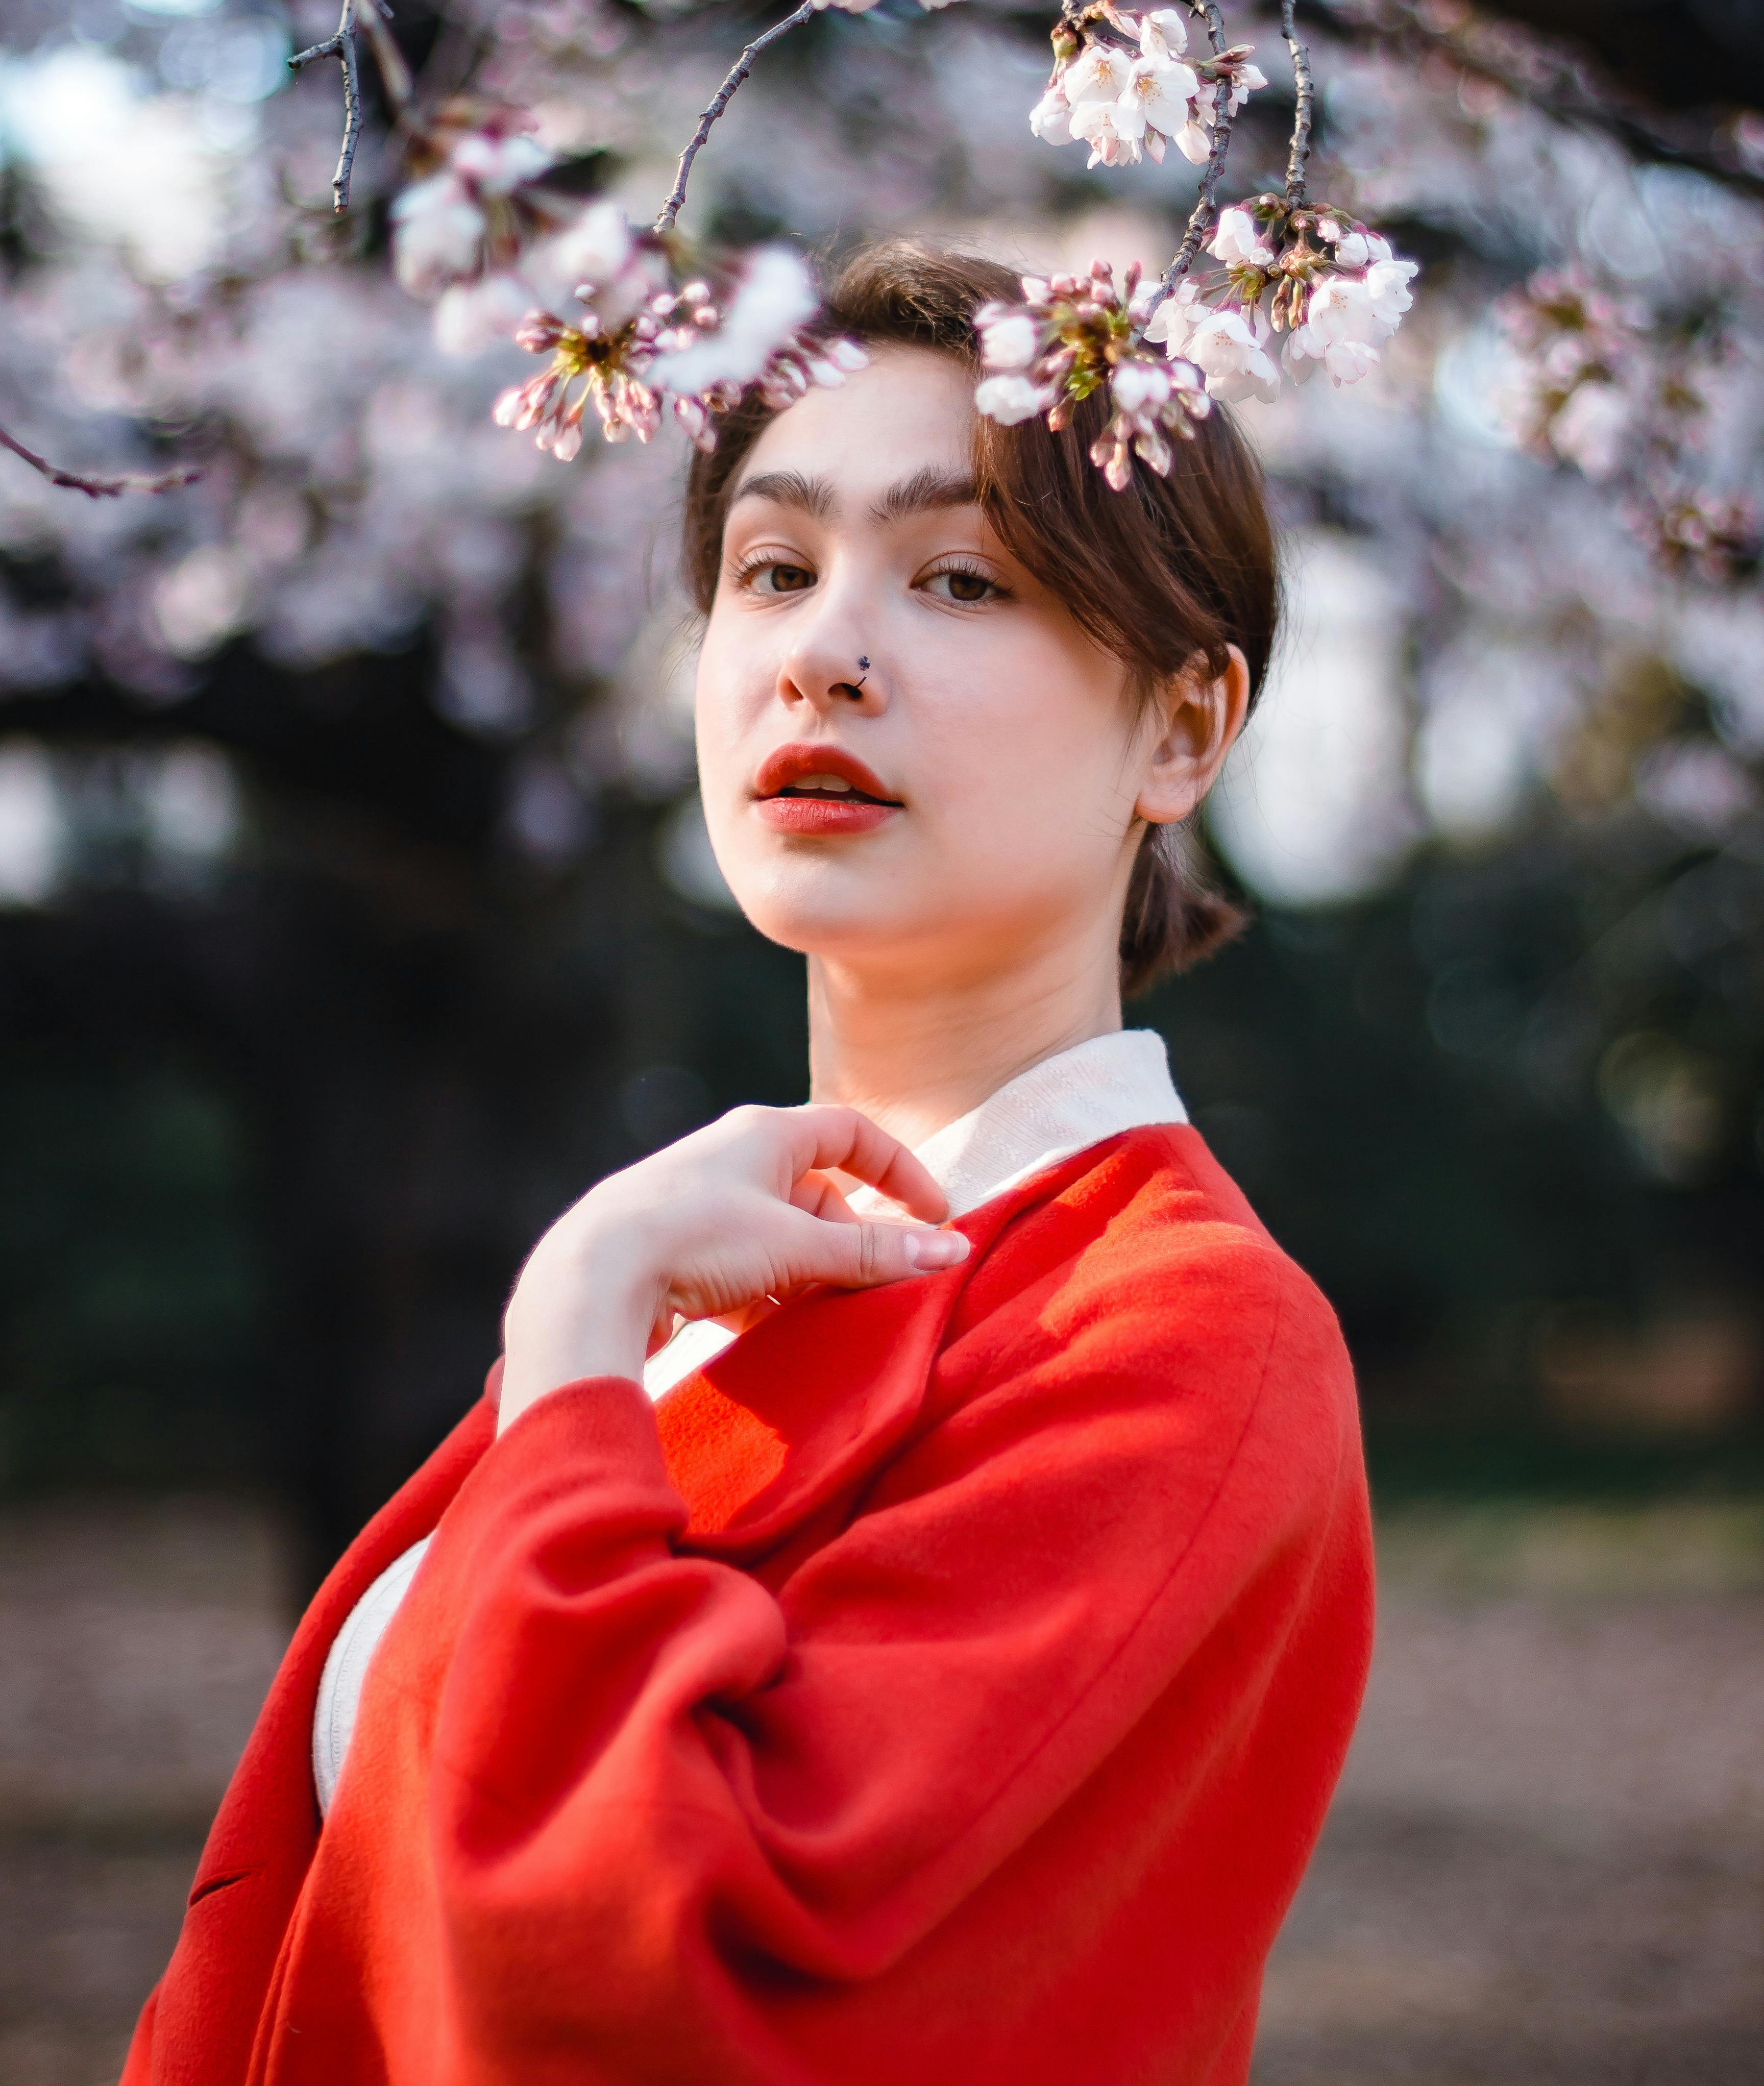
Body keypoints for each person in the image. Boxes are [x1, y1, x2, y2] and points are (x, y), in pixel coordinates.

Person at [122, 242, 1372, 2086]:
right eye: (773, 571)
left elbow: (663, 1983)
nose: (820, 656)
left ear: (1182, 726)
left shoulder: (1182, 1337)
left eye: (961, 578)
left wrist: (567, 1352)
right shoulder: (703, 1282)